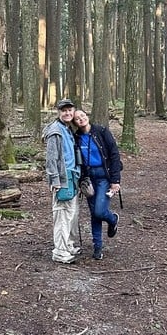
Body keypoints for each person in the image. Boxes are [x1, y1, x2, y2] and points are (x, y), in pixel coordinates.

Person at [72, 108, 122, 261]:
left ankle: (113, 219)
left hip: (104, 177)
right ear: (75, 123)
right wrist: (81, 181)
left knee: (100, 211)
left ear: (87, 116)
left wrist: (115, 181)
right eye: (77, 118)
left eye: (82, 116)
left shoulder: (101, 131)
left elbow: (114, 154)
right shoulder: (76, 138)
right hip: (89, 179)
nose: (81, 119)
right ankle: (97, 246)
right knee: (94, 213)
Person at [42, 99, 81, 264]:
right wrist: (55, 180)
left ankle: (68, 245)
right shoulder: (55, 130)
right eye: (64, 111)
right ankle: (59, 251)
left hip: (72, 176)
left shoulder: (68, 129)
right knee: (62, 215)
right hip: (62, 180)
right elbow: (51, 158)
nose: (67, 113)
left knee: (72, 214)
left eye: (69, 110)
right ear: (59, 112)